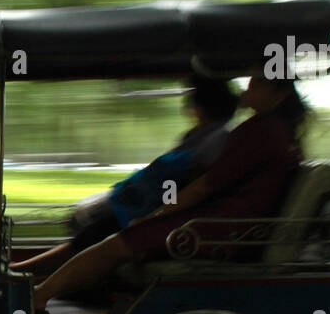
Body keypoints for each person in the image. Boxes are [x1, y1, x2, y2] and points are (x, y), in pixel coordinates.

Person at [32, 72, 307, 314]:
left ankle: (39, 296)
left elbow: (204, 186)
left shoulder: (258, 131)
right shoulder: (275, 131)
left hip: (219, 228)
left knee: (117, 243)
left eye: (257, 84)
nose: (247, 91)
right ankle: (44, 289)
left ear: (279, 94)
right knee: (110, 236)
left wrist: (157, 216)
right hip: (227, 224)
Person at [13, 74, 239, 279]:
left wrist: (155, 214)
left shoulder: (216, 140)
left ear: (199, 108)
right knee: (89, 226)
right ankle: (27, 271)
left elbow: (195, 185)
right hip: (147, 205)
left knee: (94, 234)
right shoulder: (198, 136)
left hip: (164, 215)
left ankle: (23, 272)